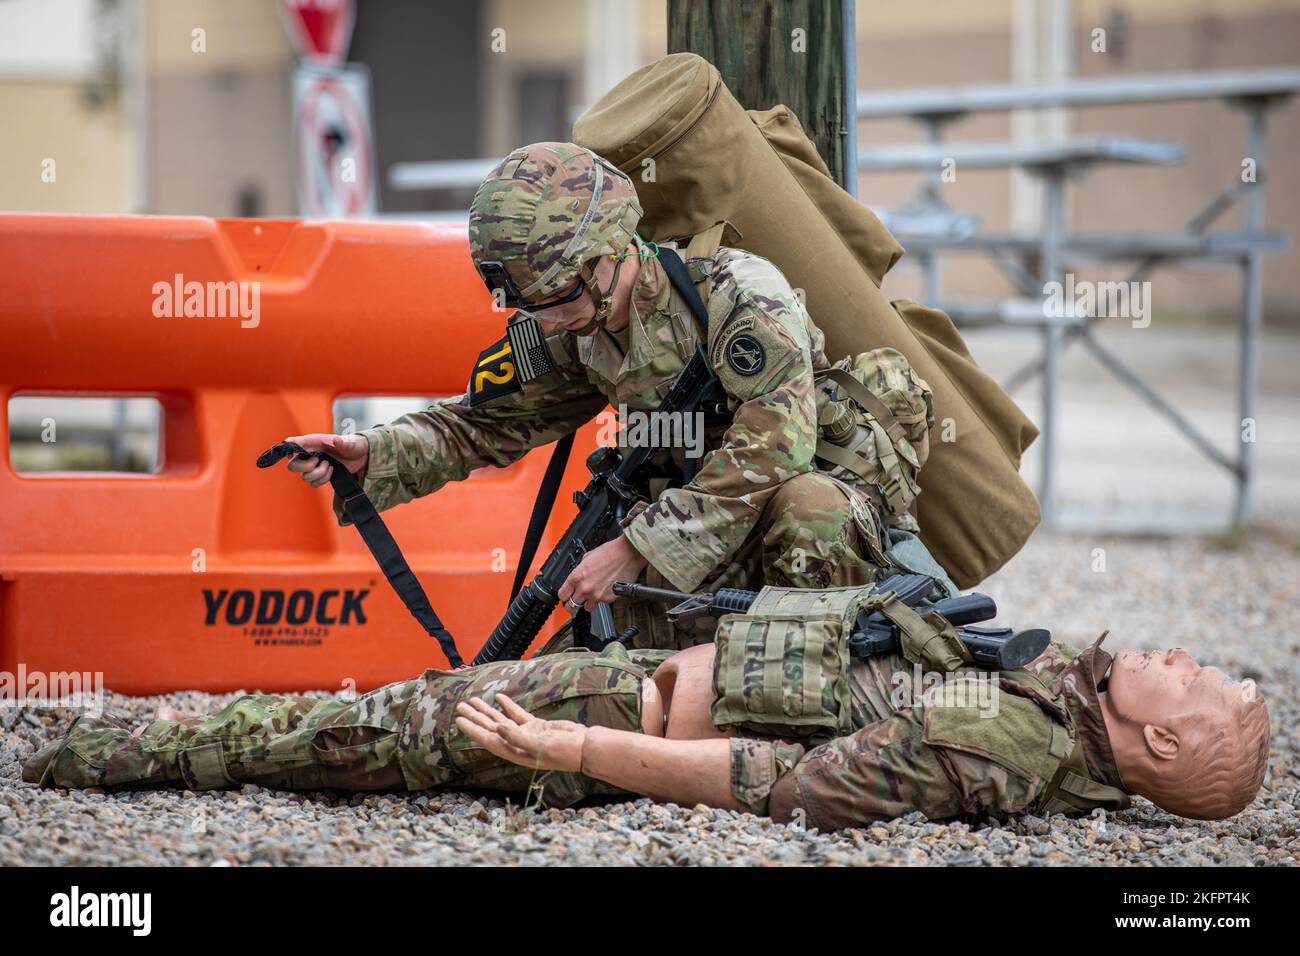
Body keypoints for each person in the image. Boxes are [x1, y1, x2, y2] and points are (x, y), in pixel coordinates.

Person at [277, 141, 940, 648]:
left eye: (559, 295)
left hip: (796, 533)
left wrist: (636, 549)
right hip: (688, 547)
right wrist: (371, 452)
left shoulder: (738, 296)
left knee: (810, 506)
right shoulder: (574, 328)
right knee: (550, 698)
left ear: (608, 251)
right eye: (530, 306)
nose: (550, 317)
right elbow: (481, 427)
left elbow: (776, 448)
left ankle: (830, 684)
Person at [23, 629, 1270, 828]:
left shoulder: (992, 745)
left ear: (1159, 748)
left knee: (341, 737)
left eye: (1196, 679)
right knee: (366, 711)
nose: (1179, 655)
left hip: (606, 716)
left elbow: (779, 784)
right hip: (632, 672)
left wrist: (572, 753)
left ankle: (64, 756)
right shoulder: (1064, 692)